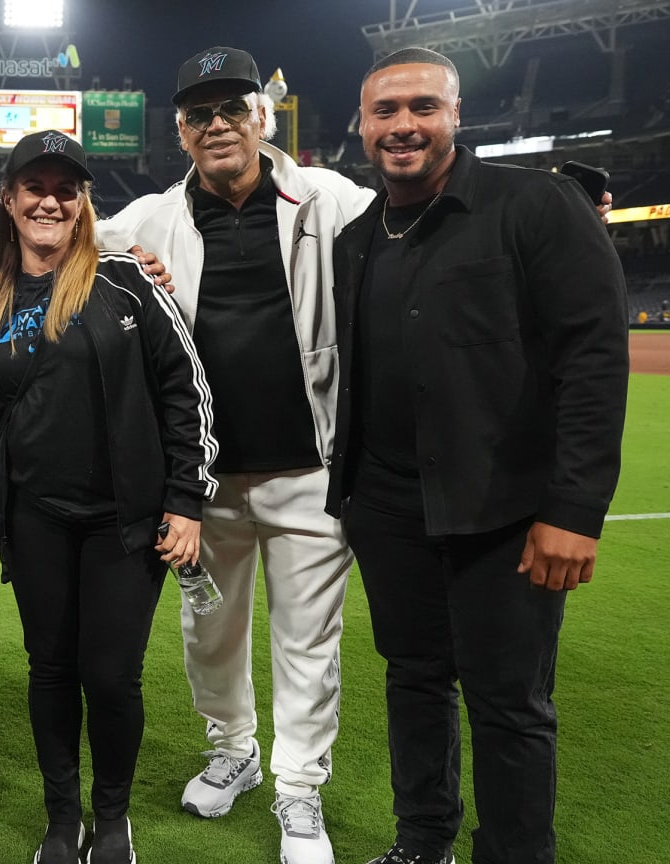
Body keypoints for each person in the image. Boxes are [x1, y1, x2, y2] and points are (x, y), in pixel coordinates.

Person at [327, 47, 628, 864]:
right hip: (390, 509)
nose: (403, 126)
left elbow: (594, 358)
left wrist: (572, 510)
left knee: (509, 705)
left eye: (423, 107)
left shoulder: (536, 206)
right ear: (362, 125)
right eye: (385, 112)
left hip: (505, 510)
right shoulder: (357, 238)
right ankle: (422, 842)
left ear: (456, 115)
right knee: (414, 681)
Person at [95, 46, 375, 864]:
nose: (216, 124)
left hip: (309, 472)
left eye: (230, 108)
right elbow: (53, 243)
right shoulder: (147, 219)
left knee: (308, 641)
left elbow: (412, 234)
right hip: (202, 485)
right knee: (209, 631)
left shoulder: (330, 199)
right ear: (180, 131)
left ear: (262, 115)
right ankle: (235, 752)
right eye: (198, 114)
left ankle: (299, 792)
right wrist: (121, 265)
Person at [0, 130, 218, 864]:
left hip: (124, 521)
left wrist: (187, 499)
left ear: (82, 203)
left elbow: (186, 388)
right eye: (35, 188)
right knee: (49, 669)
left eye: (65, 189)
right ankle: (61, 818)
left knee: (109, 676)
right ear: (9, 198)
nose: (49, 200)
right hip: (34, 518)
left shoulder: (125, 278)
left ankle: (112, 819)